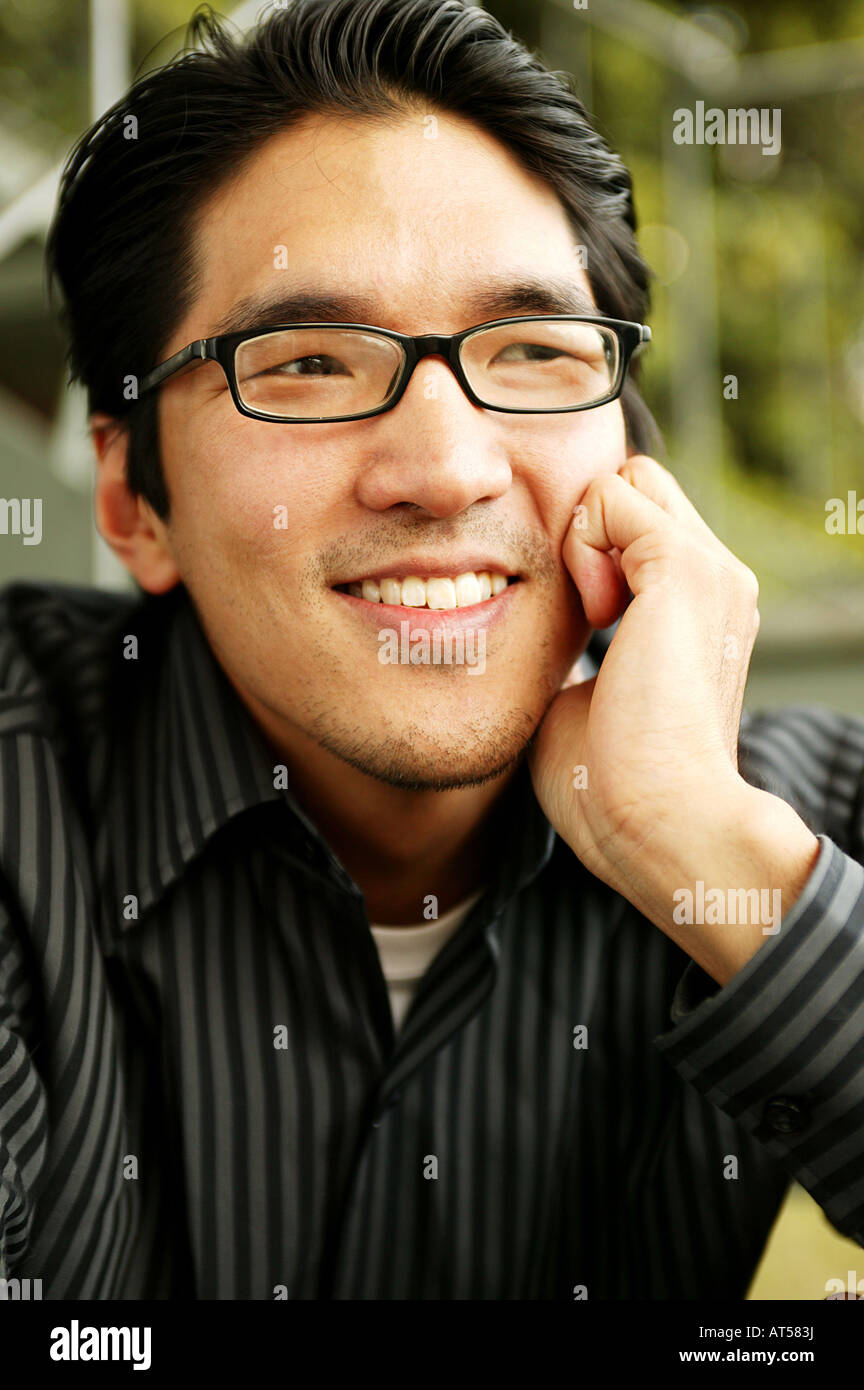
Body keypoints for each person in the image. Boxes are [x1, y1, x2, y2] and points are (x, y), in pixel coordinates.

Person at [0, 0, 861, 1300]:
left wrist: (701, 844)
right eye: (304, 364)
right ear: (133, 501)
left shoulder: (795, 831)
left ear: (629, 464)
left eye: (530, 352)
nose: (448, 468)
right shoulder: (22, 818)